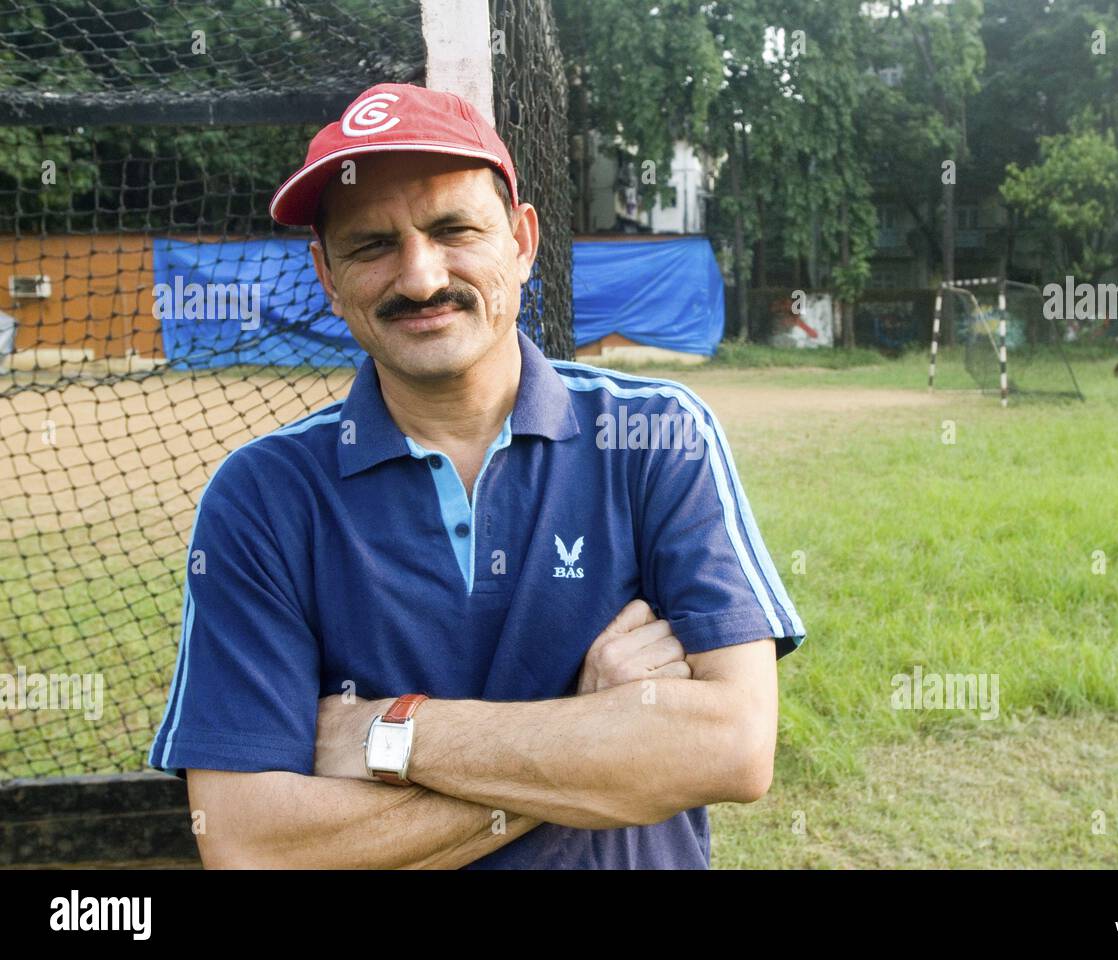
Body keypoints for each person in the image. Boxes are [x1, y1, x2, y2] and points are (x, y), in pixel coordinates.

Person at [148, 83, 805, 869]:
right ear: (325, 273)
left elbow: (731, 750)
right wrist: (593, 730)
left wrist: (387, 734)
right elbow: (250, 845)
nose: (421, 279)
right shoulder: (262, 495)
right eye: (371, 245)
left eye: (453, 229)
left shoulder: (655, 432)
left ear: (523, 242)